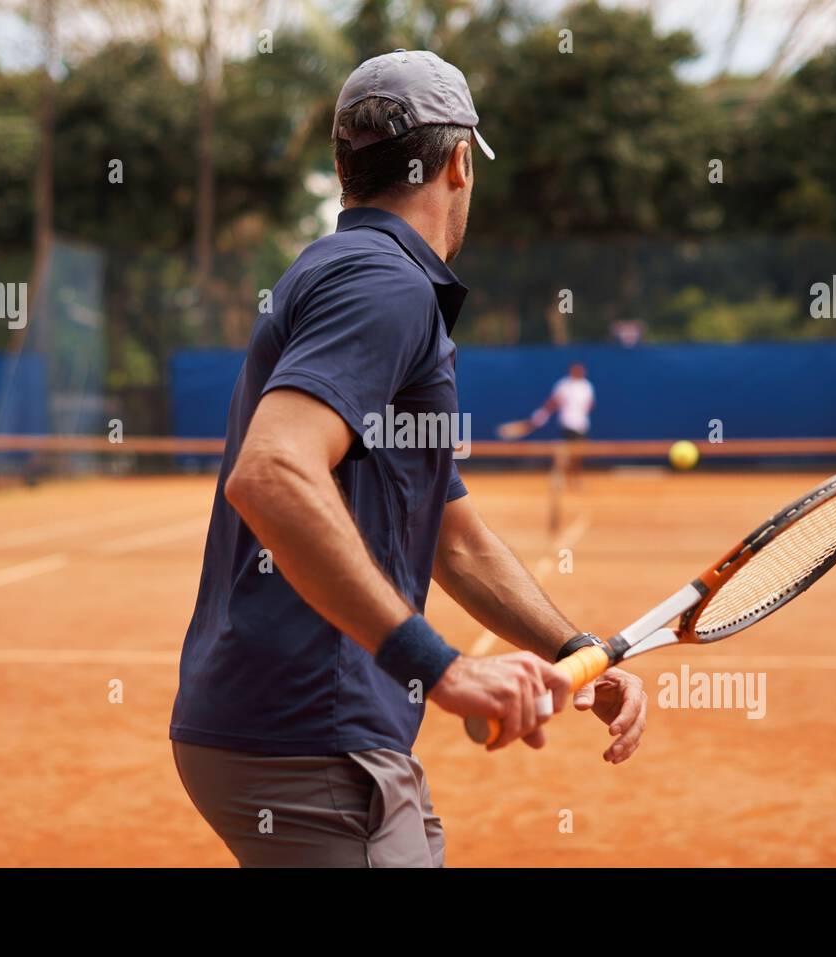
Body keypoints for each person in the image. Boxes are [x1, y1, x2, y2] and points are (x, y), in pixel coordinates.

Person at [170, 50, 646, 868]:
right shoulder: (385, 285)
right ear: (460, 160)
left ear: (344, 167)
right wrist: (445, 669)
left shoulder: (345, 272)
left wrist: (574, 649)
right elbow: (271, 473)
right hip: (313, 732)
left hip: (296, 726)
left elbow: (453, 538)